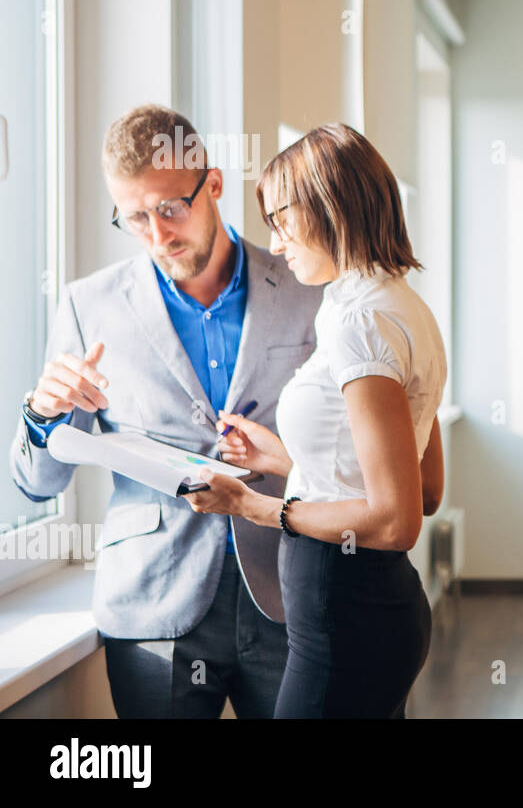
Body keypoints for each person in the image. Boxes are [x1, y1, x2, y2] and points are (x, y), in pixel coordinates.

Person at [9, 104, 322, 717]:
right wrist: (43, 417)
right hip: (154, 602)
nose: (158, 235)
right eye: (134, 218)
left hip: (287, 585)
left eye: (170, 209)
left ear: (213, 185)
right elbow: (38, 485)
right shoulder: (87, 305)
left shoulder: (305, 286)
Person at [183, 123, 446, 718]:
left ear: (329, 206)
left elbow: (397, 519)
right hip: (377, 611)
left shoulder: (360, 324)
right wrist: (280, 460)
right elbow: (421, 488)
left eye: (281, 219)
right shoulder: (402, 306)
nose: (274, 243)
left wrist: (248, 505)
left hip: (344, 618)